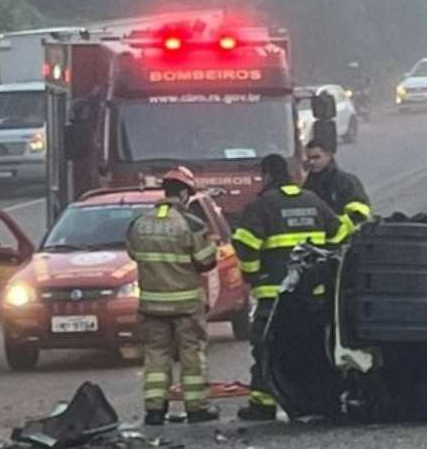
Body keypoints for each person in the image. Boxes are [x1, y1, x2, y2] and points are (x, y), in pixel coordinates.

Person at [232, 154, 342, 422]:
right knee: (312, 345)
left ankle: (262, 404)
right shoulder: (313, 201)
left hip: (274, 293)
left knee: (266, 346)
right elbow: (339, 233)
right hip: (312, 294)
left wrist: (252, 275)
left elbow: (245, 243)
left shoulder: (263, 205)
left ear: (267, 175)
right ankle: (318, 401)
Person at [126, 167, 220, 425]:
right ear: (184, 194)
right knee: (192, 355)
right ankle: (196, 408)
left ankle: (155, 410)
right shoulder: (192, 224)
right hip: (186, 305)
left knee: (156, 355)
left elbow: (133, 253)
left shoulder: (139, 223)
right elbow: (206, 262)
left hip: (152, 306)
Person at [302, 137, 372, 237]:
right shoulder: (303, 182)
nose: (311, 162)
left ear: (329, 156)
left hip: (341, 240)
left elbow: (361, 211)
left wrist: (340, 229)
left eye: (316, 157)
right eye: (309, 158)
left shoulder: (345, 182)